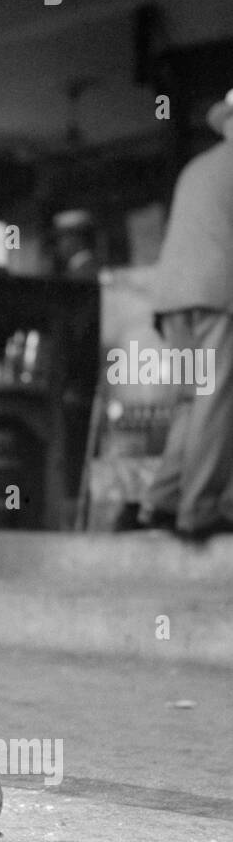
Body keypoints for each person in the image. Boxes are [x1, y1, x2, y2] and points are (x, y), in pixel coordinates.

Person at [138, 90, 233, 538]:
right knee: (217, 397)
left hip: (172, 301)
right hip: (216, 297)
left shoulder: (198, 168)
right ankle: (201, 509)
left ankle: (163, 501)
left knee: (191, 400)